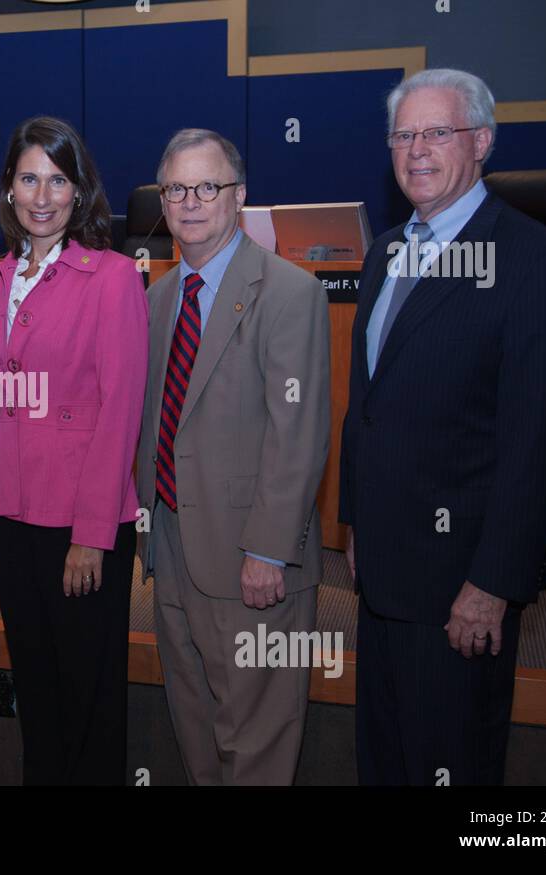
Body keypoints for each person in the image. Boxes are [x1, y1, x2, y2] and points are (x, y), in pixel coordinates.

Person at [339, 68, 546, 785]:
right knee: (382, 759)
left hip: (461, 581)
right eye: (404, 134)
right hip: (384, 571)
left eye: (437, 132)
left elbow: (539, 441)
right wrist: (354, 521)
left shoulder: (538, 262)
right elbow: (368, 402)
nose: (416, 149)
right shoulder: (386, 250)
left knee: (449, 764)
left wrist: (492, 582)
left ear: (481, 141)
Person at [136, 129, 331, 785]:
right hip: (172, 545)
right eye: (176, 189)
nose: (191, 202)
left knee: (256, 741)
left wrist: (270, 550)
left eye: (207, 187)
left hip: (252, 557)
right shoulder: (158, 298)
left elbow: (297, 434)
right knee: (195, 726)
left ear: (240, 195)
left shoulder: (290, 292)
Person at [0, 116, 147, 785]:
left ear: (80, 192)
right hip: (9, 512)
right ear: (8, 190)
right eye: (28, 178)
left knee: (89, 695)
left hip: (80, 519)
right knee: (38, 690)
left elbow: (120, 411)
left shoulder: (111, 276)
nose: (42, 195)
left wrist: (92, 534)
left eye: (58, 179)